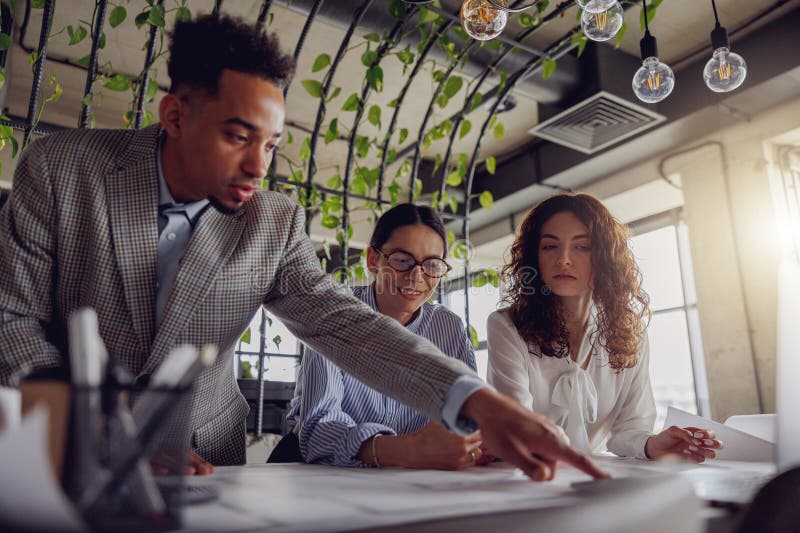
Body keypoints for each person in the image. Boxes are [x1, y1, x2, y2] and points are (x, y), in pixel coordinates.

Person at [0, 14, 606, 481]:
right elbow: (12, 322)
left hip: (208, 462)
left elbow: (345, 323)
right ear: (176, 115)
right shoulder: (60, 172)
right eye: (239, 136)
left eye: (271, 144)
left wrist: (473, 400)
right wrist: (102, 435)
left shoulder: (273, 223)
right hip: (64, 449)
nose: (257, 165)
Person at [488, 193, 721, 461]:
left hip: (595, 479)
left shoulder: (629, 331)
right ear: (534, 257)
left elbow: (629, 429)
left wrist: (652, 444)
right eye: (550, 247)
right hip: (523, 474)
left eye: (582, 247)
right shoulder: (506, 326)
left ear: (605, 257)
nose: (563, 259)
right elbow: (517, 426)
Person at [289, 204, 487, 469]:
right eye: (402, 260)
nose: (417, 276)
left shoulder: (448, 327)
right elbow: (318, 430)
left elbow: (466, 418)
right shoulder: (335, 314)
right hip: (329, 478)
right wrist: (410, 450)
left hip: (417, 481)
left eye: (432, 264)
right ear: (373, 260)